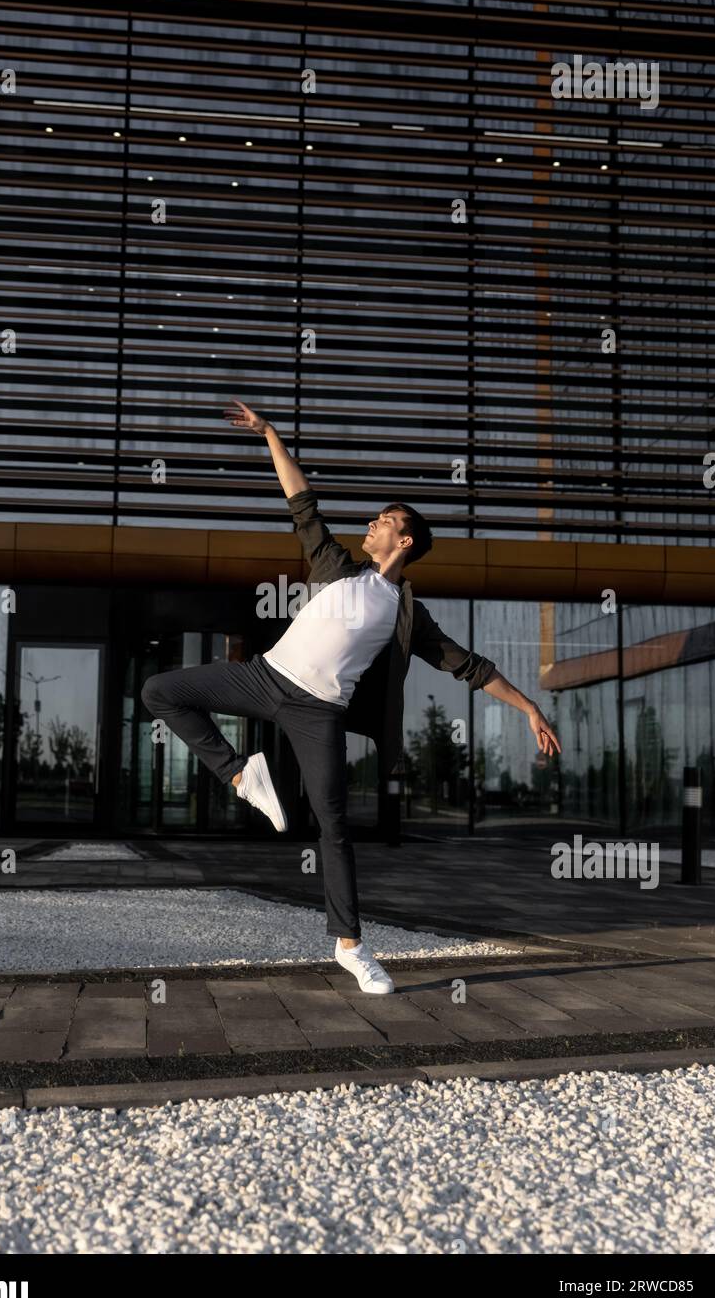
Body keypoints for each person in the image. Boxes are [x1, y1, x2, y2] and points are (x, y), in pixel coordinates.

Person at [141, 399, 561, 994]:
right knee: (160, 690)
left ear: (405, 538)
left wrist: (531, 708)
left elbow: (469, 666)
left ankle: (351, 947)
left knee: (333, 825)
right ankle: (240, 775)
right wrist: (269, 435)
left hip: (320, 713)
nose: (371, 524)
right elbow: (301, 501)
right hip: (265, 676)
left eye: (383, 520)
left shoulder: (407, 614)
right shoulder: (335, 566)